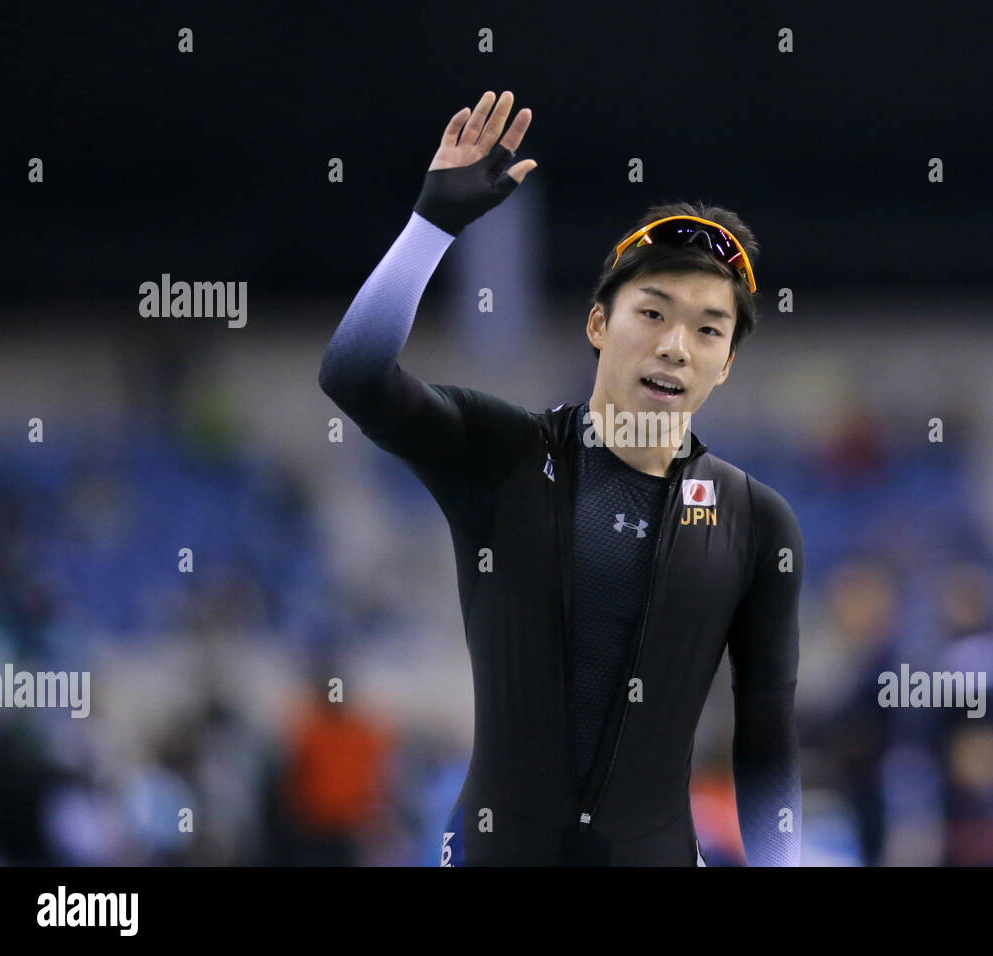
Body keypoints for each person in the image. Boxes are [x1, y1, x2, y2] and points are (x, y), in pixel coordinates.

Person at [319, 90, 803, 866]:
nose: (676, 346)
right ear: (598, 324)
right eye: (653, 313)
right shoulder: (500, 451)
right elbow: (353, 375)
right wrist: (431, 225)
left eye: (707, 329)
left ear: (725, 363)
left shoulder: (756, 520)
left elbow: (768, 738)